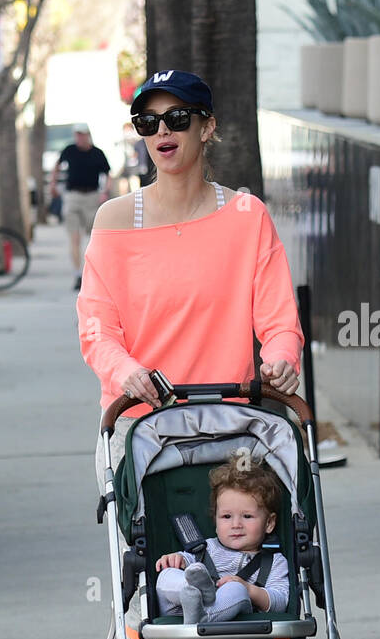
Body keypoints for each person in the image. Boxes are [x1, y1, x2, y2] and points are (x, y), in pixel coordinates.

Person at [78, 69, 303, 480]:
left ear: (207, 127)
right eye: (148, 122)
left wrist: (281, 360)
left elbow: (280, 323)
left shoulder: (247, 217)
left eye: (178, 118)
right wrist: (126, 372)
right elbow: (96, 329)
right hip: (139, 426)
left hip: (232, 429)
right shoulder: (114, 221)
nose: (163, 130)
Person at [154, 457, 290, 624]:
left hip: (223, 617)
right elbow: (186, 562)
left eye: (247, 516)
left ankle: (204, 614)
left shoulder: (274, 561)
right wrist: (176, 559)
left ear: (269, 523)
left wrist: (249, 589)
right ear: (216, 523)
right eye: (226, 516)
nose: (236, 524)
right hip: (179, 610)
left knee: (235, 589)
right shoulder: (205, 548)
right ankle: (194, 593)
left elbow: (281, 601)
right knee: (168, 575)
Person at [50, 123, 110, 290]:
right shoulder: (69, 150)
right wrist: (53, 183)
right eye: (77, 135)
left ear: (88, 135)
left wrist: (105, 191)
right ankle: (78, 273)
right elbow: (57, 165)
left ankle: (94, 272)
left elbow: (107, 174)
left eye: (82, 134)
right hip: (73, 196)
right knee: (74, 238)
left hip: (91, 196)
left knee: (94, 238)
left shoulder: (97, 153)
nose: (79, 138)